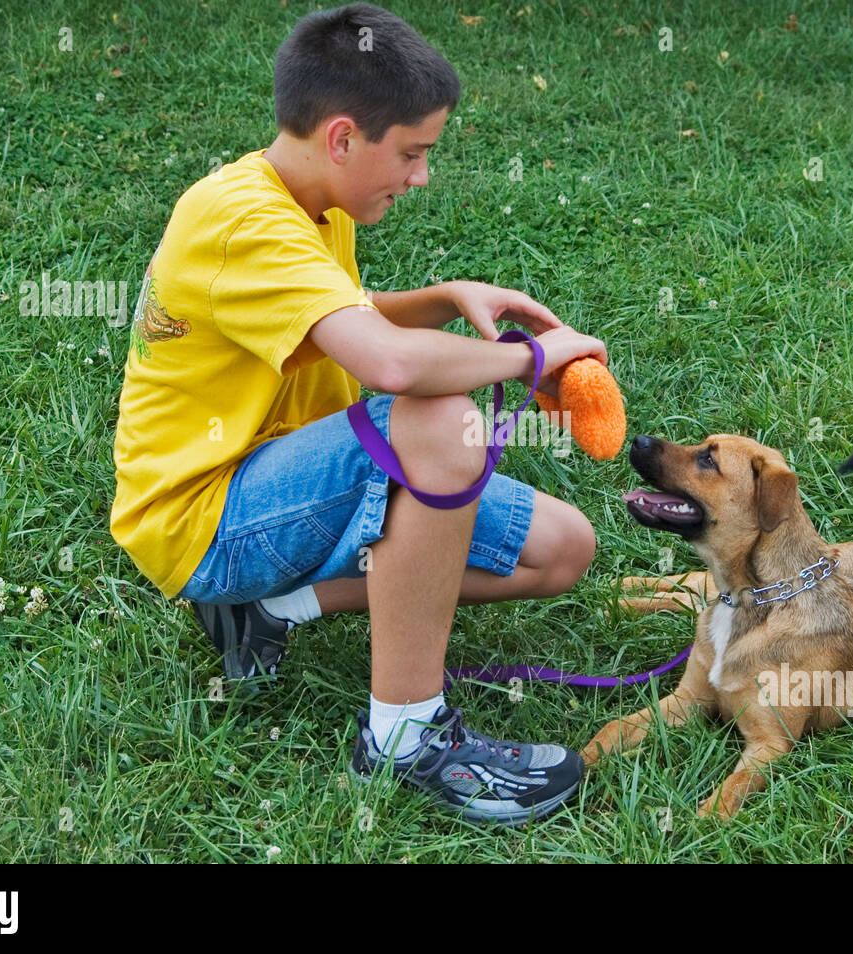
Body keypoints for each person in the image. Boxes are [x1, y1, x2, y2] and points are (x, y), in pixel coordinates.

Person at [109, 2, 609, 826]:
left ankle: (269, 610)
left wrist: (446, 296)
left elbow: (343, 315)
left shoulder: (311, 199)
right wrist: (535, 359)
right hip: (207, 519)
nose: (421, 176)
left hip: (287, 486)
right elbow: (390, 365)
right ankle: (404, 736)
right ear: (342, 138)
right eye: (412, 152)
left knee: (562, 549)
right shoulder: (241, 221)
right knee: (436, 422)